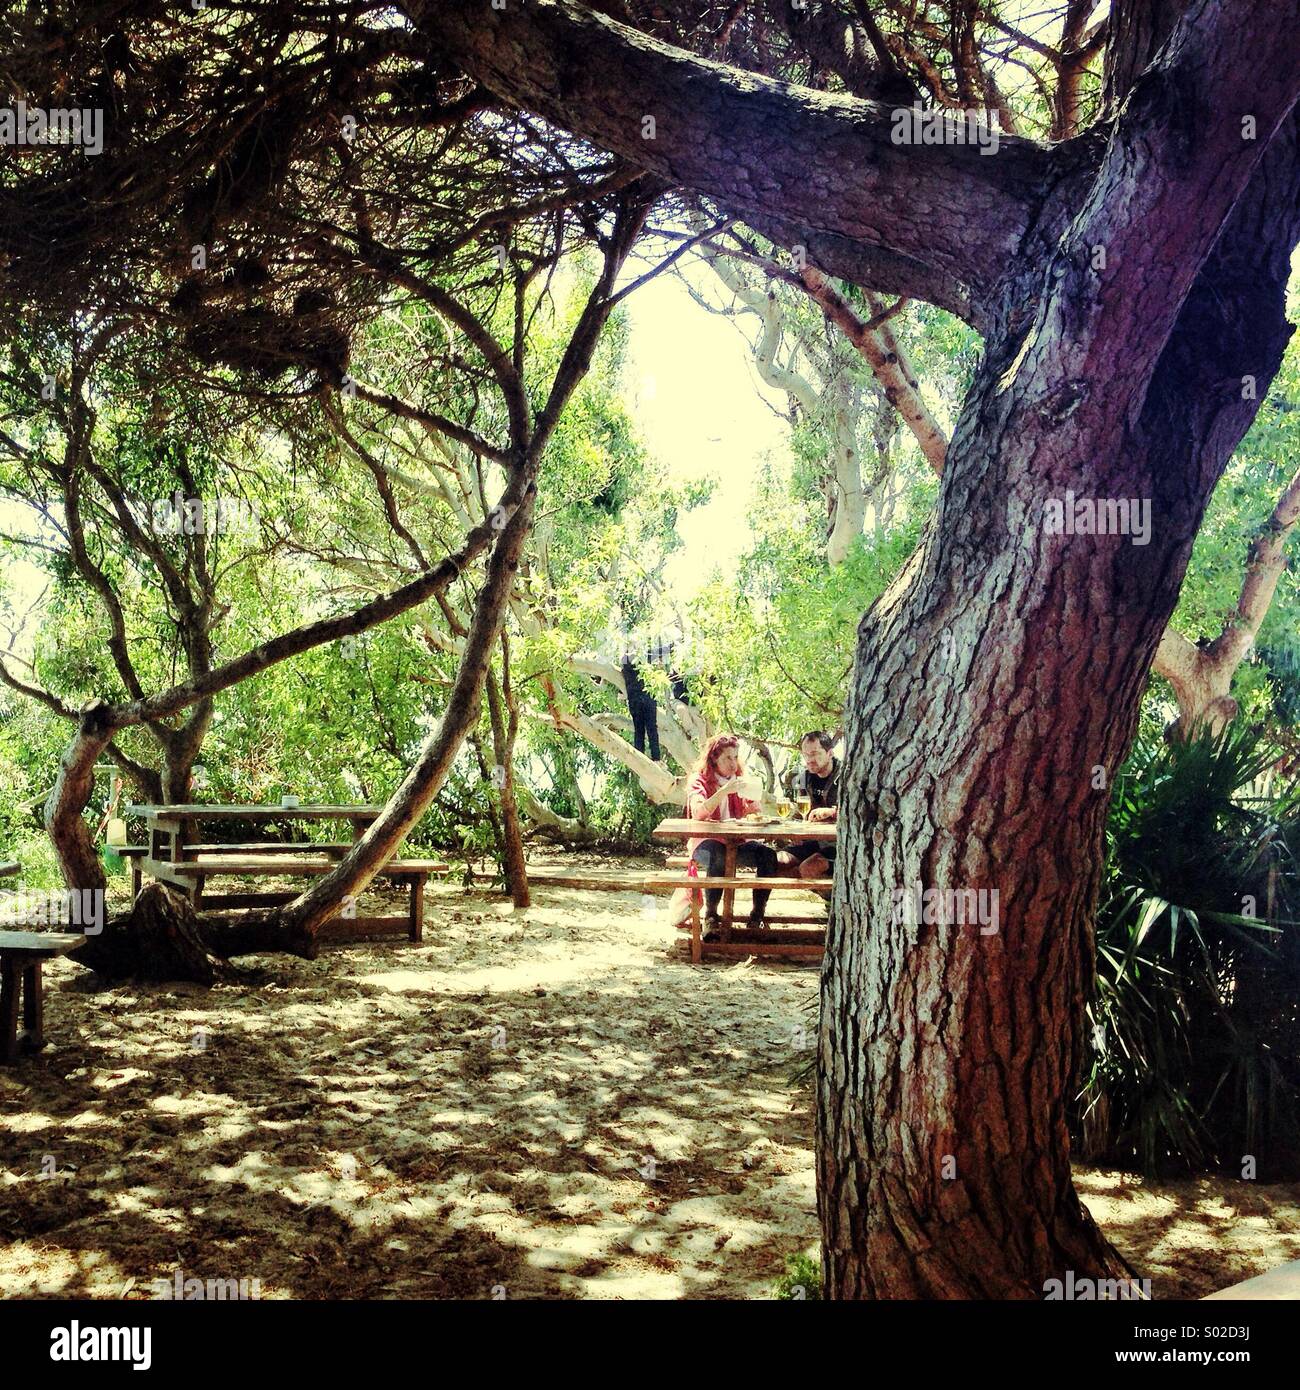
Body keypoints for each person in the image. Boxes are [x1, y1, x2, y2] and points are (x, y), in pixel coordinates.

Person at [686, 733, 778, 929]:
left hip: (736, 842)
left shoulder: (740, 780)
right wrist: (723, 791)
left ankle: (757, 916)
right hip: (705, 844)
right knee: (718, 856)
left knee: (768, 855)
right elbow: (698, 812)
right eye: (728, 758)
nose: (733, 763)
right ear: (714, 758)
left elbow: (750, 814)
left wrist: (753, 804)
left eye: (735, 757)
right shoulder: (699, 780)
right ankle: (711, 916)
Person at [787, 730, 839, 884]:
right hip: (814, 841)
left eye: (815, 754)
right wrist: (794, 831)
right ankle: (758, 908)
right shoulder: (805, 777)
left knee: (809, 868)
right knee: (777, 862)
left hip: (839, 844)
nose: (809, 760)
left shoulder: (846, 775)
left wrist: (833, 812)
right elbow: (800, 812)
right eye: (806, 754)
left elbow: (858, 811)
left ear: (830, 753)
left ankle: (833, 904)